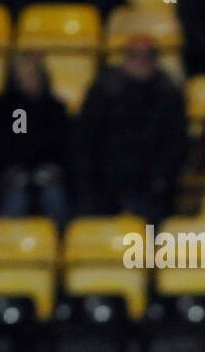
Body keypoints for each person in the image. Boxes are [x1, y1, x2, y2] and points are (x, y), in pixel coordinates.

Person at [73, 35, 188, 225]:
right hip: (103, 185)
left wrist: (160, 181)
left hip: (149, 187)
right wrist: (90, 183)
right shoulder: (103, 90)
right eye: (135, 55)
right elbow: (85, 140)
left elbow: (176, 143)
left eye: (149, 55)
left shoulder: (168, 93)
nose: (142, 61)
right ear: (125, 58)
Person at [0, 51, 69, 225]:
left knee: (54, 195)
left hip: (49, 178)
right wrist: (16, 171)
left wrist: (48, 169)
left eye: (34, 73)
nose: (29, 79)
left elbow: (66, 148)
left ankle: (60, 244)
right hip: (5, 179)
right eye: (24, 75)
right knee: (16, 196)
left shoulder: (55, 109)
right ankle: (7, 245)